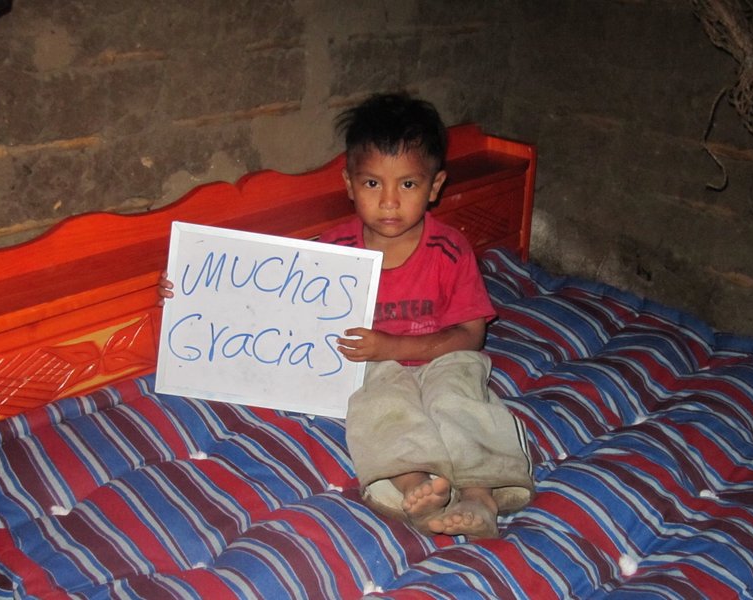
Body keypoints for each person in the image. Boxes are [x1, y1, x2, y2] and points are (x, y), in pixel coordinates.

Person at [159, 92, 534, 538]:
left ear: (435, 187)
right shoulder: (332, 253)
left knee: (458, 397)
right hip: (372, 367)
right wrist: (194, 290)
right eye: (373, 184)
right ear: (350, 184)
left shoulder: (450, 251)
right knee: (378, 405)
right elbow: (270, 307)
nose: (390, 202)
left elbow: (471, 335)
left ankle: (479, 494)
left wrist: (394, 344)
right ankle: (416, 486)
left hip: (442, 356)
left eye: (408, 185)